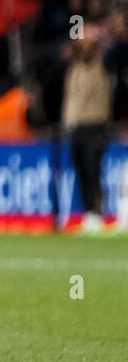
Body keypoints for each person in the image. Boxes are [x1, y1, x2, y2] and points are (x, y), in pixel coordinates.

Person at [63, 23, 113, 233]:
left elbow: (112, 49)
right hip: (76, 127)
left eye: (88, 45)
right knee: (82, 172)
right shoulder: (74, 68)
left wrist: (96, 33)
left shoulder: (103, 66)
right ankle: (88, 213)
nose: (84, 48)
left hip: (95, 126)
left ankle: (97, 213)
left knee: (93, 170)